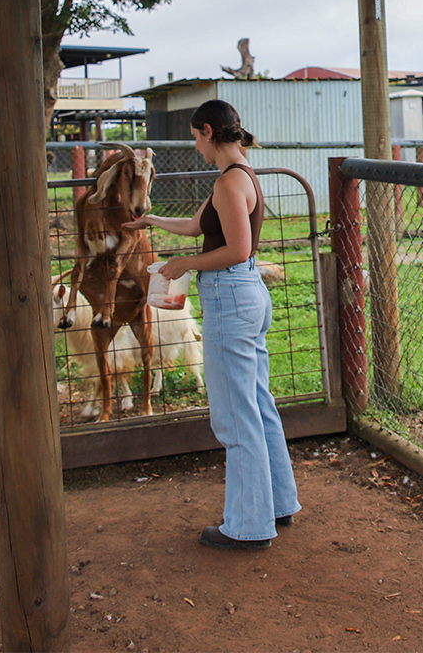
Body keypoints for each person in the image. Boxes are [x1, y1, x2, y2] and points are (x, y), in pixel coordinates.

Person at [124, 100, 299, 550]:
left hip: (230, 296)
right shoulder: (240, 174)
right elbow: (198, 225)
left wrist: (185, 264)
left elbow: (237, 249)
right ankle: (278, 504)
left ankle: (247, 527)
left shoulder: (228, 183)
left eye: (194, 136)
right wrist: (150, 220)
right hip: (248, 297)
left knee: (235, 416)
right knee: (257, 404)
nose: (194, 145)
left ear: (207, 131)